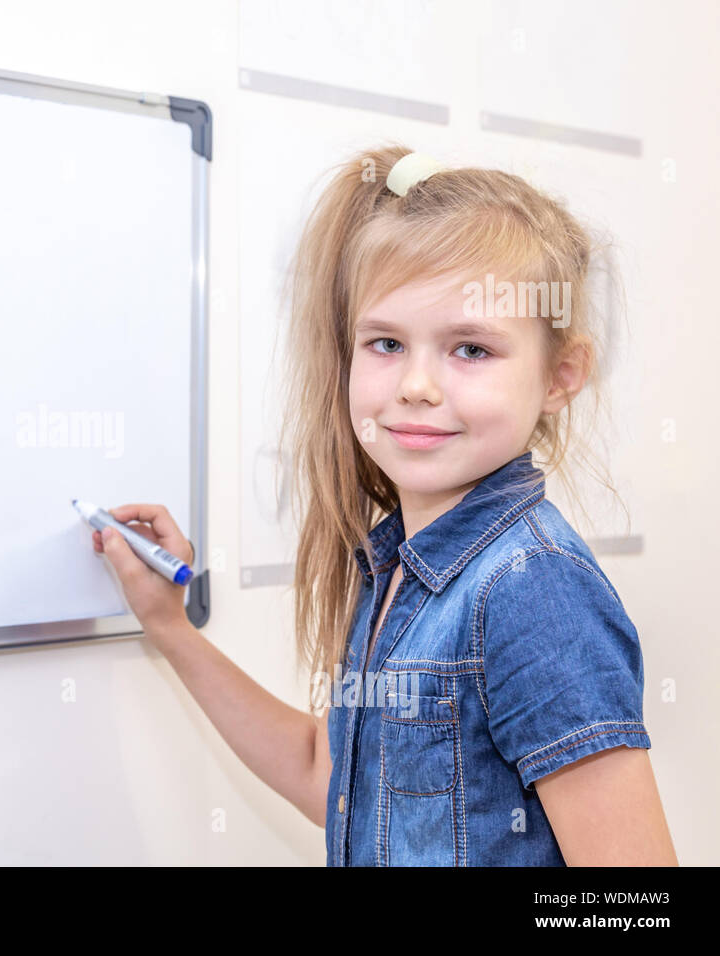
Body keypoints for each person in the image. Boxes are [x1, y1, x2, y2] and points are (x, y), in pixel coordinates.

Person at [90, 144, 677, 865]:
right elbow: (331, 778)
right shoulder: (398, 566)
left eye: (470, 349)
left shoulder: (535, 591)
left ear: (560, 375)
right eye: (387, 343)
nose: (417, 385)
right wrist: (169, 627)